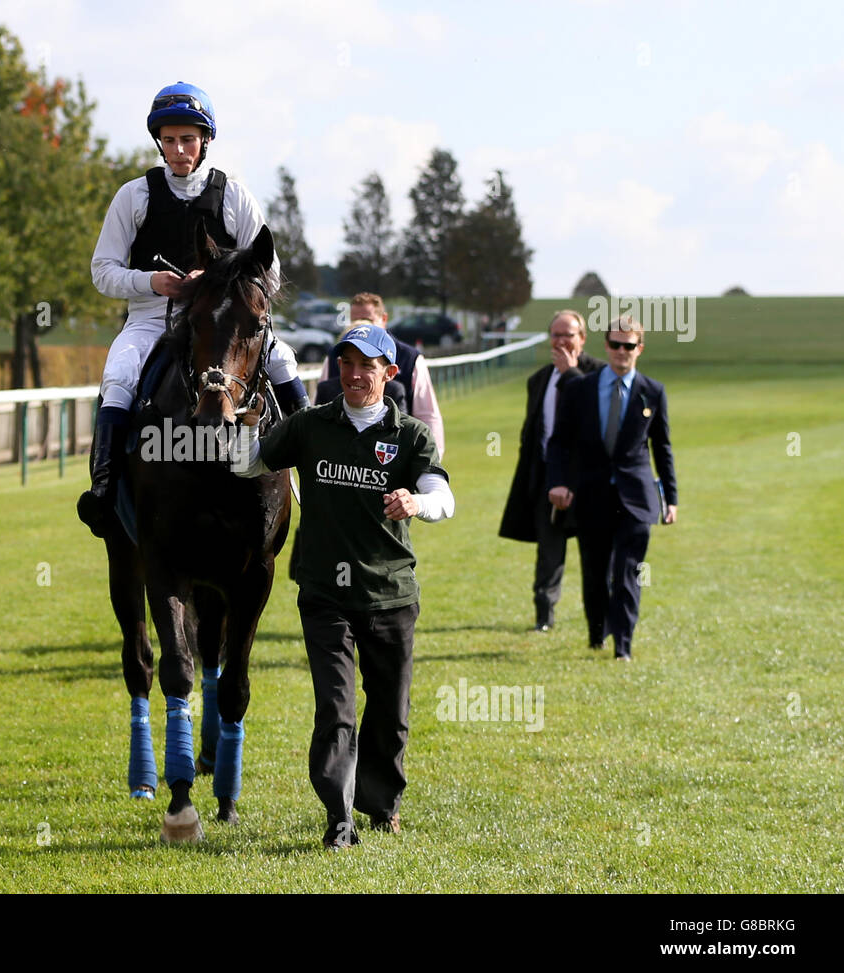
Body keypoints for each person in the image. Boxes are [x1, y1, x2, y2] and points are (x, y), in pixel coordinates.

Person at [234, 322, 454, 849]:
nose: (354, 374)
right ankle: (339, 817)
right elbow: (246, 465)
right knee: (335, 710)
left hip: (390, 595)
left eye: (367, 366)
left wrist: (416, 503)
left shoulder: (409, 436)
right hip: (324, 596)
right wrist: (241, 425)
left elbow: (443, 498)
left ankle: (380, 806)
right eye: (347, 363)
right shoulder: (311, 425)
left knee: (390, 713)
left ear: (390, 372)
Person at [77, 81, 309, 537]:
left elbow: (270, 274)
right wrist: (152, 282)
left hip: (223, 325)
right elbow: (102, 270)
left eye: (188, 139)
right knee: (119, 375)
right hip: (149, 319)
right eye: (169, 140)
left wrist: (218, 285)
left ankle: (317, 478)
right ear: (159, 142)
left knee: (283, 359)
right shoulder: (133, 196)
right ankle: (103, 487)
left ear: (205, 141)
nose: (179, 149)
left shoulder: (235, 195)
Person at [547, 316, 678, 661]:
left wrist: (671, 499)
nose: (622, 352)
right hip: (590, 495)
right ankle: (596, 634)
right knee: (595, 572)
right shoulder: (580, 388)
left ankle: (623, 645)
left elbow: (662, 448)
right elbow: (559, 442)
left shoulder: (654, 391)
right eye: (616, 345)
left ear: (640, 349)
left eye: (629, 346)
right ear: (606, 346)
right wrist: (559, 482)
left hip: (636, 497)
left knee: (629, 574)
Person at [498, 310, 604, 631]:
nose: (561, 341)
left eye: (568, 335)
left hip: (590, 480)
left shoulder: (599, 374)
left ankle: (599, 622)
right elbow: (532, 432)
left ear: (582, 339)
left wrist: (571, 373)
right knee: (549, 552)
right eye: (556, 334)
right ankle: (544, 616)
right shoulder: (539, 380)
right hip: (548, 478)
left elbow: (596, 417)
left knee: (596, 552)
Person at [316, 293, 445, 457]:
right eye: (354, 320)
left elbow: (428, 415)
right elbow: (319, 412)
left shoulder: (410, 358)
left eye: (367, 320)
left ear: (384, 319)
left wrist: (430, 460)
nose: (360, 326)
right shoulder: (334, 357)